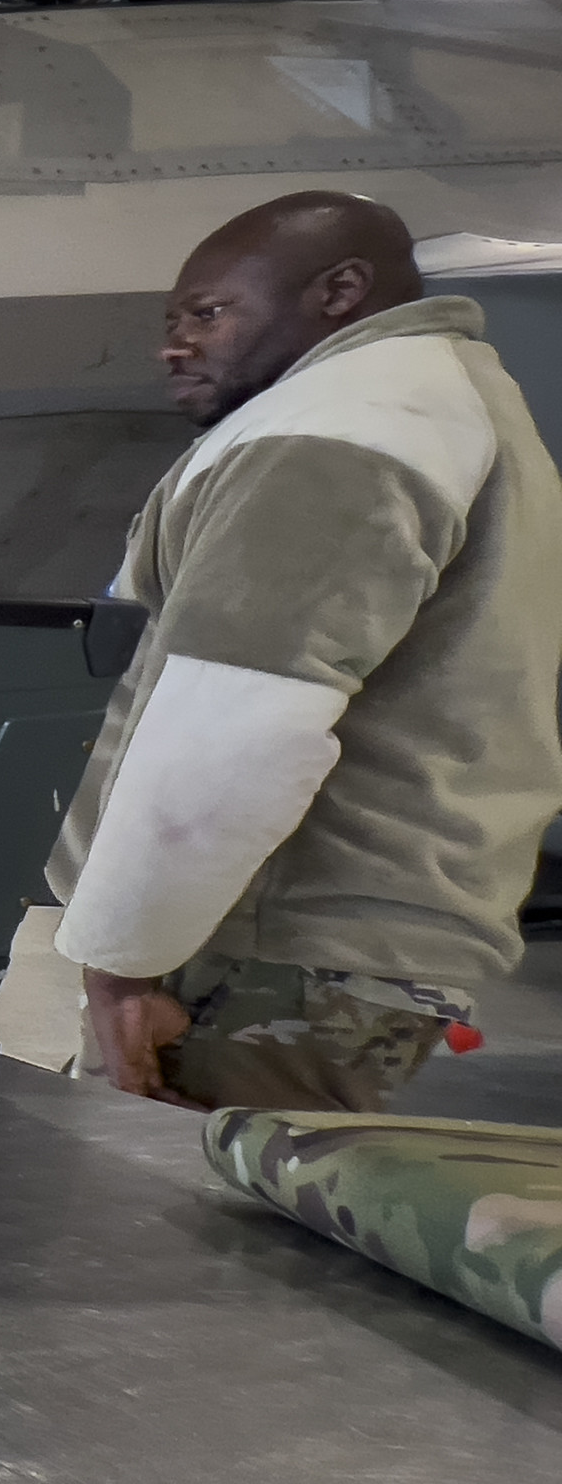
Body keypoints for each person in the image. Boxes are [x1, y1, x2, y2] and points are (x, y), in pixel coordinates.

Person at [51, 191, 562, 1111]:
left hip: (260, 950)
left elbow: (239, 719)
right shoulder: (437, 404)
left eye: (208, 313)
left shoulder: (338, 428)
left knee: (166, 1237)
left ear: (341, 291)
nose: (176, 345)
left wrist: (123, 962)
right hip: (291, 949)